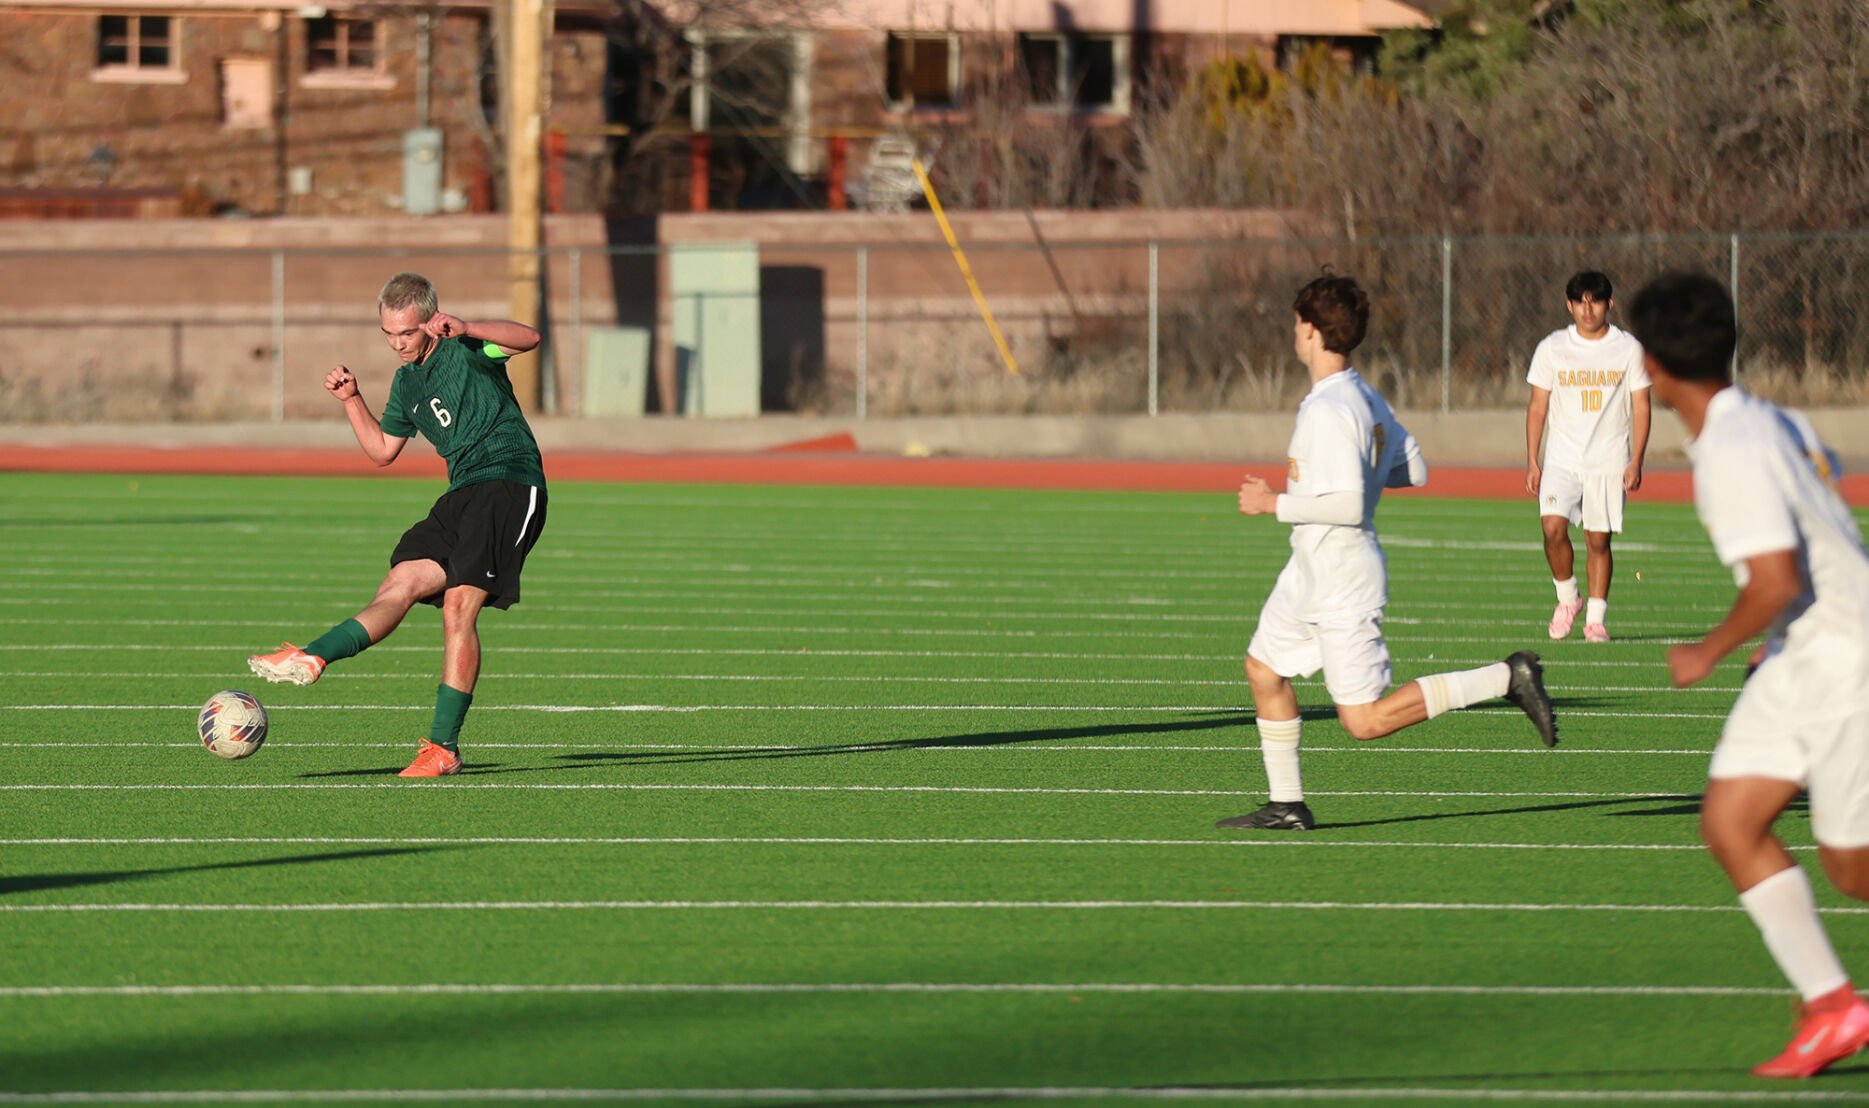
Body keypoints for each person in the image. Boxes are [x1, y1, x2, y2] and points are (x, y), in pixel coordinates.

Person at [1628, 271, 1869, 1078]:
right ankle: (1833, 1008)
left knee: (1851, 870)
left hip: (1843, 654)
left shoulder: (1729, 449)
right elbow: (1823, 485)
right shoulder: (1766, 417)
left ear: (1652, 363)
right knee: (1729, 823)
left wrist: (1707, 649)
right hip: (1802, 651)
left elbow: (1770, 578)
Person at [1219, 273, 1558, 832]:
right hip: (1309, 568)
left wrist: (1270, 502)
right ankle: (1287, 805)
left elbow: (1350, 505)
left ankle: (1507, 677)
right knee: (1263, 669)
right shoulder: (1364, 396)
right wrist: (1369, 476)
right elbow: (1415, 469)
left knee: (1365, 721)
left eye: (1296, 323)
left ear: (1309, 330)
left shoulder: (1330, 409)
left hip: (1340, 576)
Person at [247, 272, 548, 778]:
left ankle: (443, 749)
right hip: (463, 493)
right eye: (388, 334)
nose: (397, 344)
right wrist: (351, 401)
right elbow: (383, 450)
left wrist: (469, 326)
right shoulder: (406, 381)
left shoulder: (466, 346)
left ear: (431, 322)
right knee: (400, 582)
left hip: (510, 484)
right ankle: (313, 656)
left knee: (458, 608)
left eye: (406, 333)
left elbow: (530, 338)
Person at [1524, 270, 1652, 643]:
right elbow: (1537, 407)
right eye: (1580, 301)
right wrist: (1533, 459)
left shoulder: (1628, 349)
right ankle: (1568, 599)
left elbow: (1641, 406)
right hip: (1562, 458)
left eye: (1595, 300)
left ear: (1609, 304)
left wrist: (1636, 459)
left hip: (1608, 459)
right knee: (1552, 528)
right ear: (1569, 305)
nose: (1587, 309)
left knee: (1598, 540)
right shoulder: (1551, 347)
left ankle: (1595, 619)